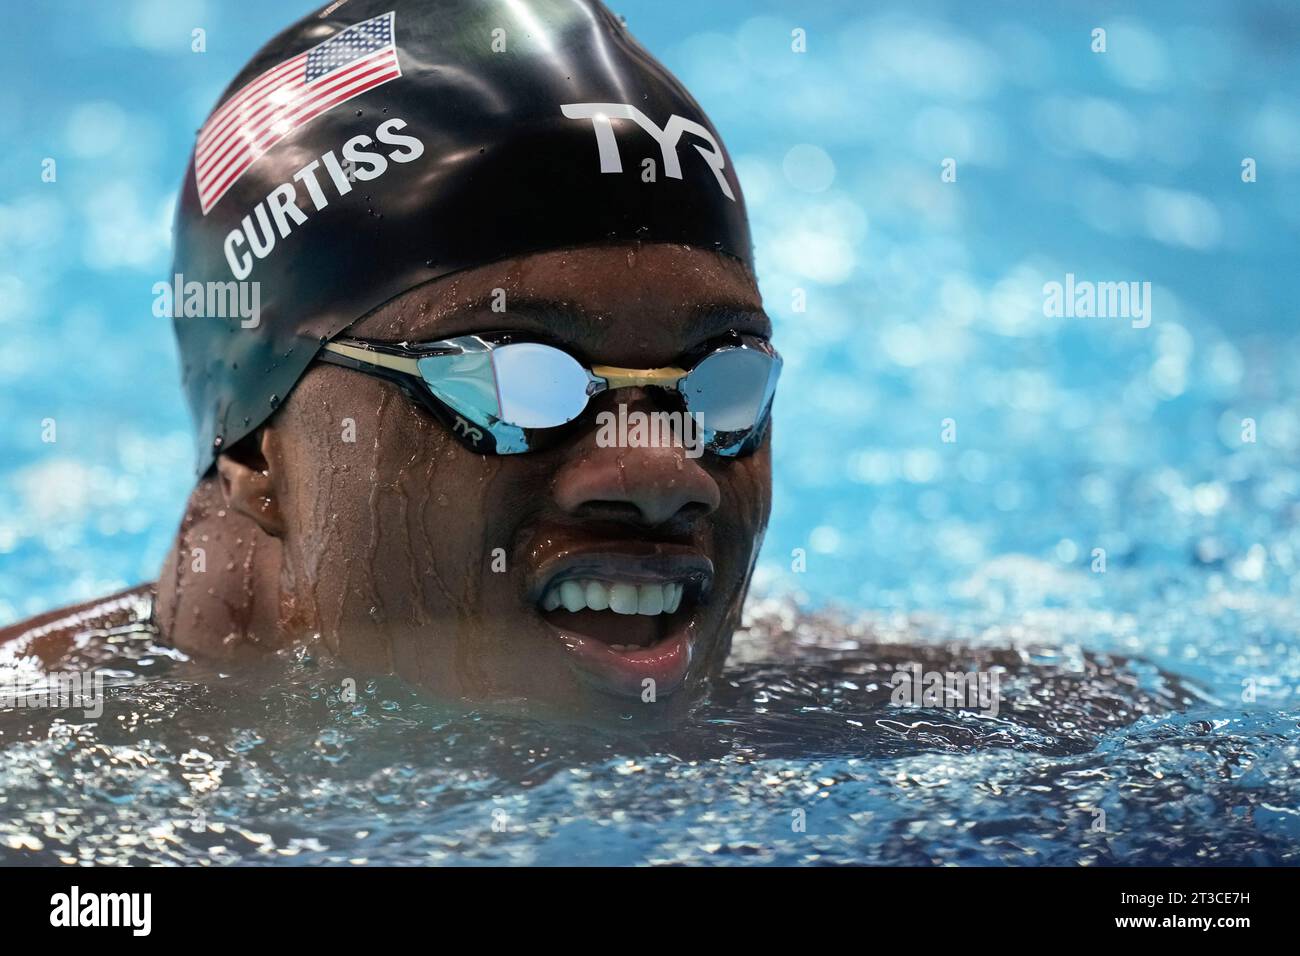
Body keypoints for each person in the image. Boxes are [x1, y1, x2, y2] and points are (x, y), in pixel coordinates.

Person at [0, 0, 780, 723]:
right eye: (515, 381)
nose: (663, 477)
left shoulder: (845, 720)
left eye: (721, 385)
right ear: (252, 446)